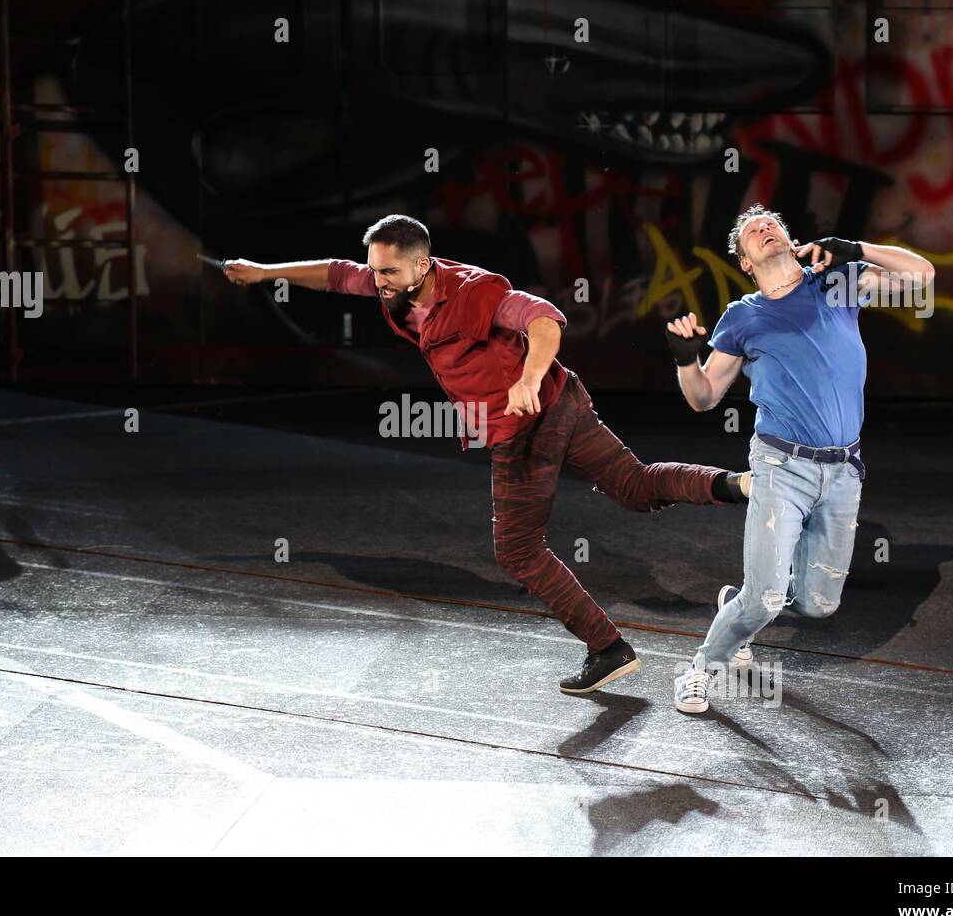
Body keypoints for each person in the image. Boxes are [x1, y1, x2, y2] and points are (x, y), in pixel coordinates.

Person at [222, 214, 750, 694]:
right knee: (634, 486)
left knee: (518, 550)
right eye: (375, 270)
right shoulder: (393, 287)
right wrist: (263, 272)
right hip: (561, 404)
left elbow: (545, 320)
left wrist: (528, 377)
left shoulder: (475, 290)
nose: (375, 280)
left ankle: (607, 648)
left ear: (422, 265)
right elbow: (335, 274)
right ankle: (737, 485)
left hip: (526, 425)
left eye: (386, 272)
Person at [664, 204, 934, 713]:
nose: (764, 228)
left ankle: (739, 605)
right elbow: (703, 398)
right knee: (765, 596)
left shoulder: (835, 283)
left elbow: (922, 277)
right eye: (751, 231)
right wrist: (685, 358)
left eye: (772, 224)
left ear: (790, 239)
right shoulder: (743, 316)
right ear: (745, 261)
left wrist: (856, 249)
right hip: (780, 466)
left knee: (817, 604)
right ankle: (701, 669)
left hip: (843, 471)